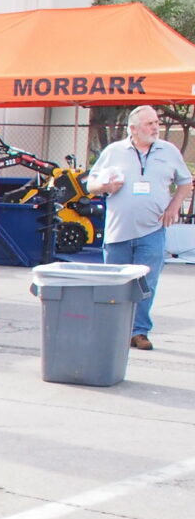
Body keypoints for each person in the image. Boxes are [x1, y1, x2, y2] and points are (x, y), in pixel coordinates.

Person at [86, 105, 192, 350]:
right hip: (118, 231)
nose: (155, 127)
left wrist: (174, 206)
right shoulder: (114, 151)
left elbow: (185, 182)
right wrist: (104, 187)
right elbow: (91, 184)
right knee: (114, 284)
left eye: (156, 122)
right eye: (149, 124)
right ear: (132, 129)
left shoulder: (168, 151)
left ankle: (139, 332)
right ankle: (113, 330)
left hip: (152, 231)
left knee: (146, 283)